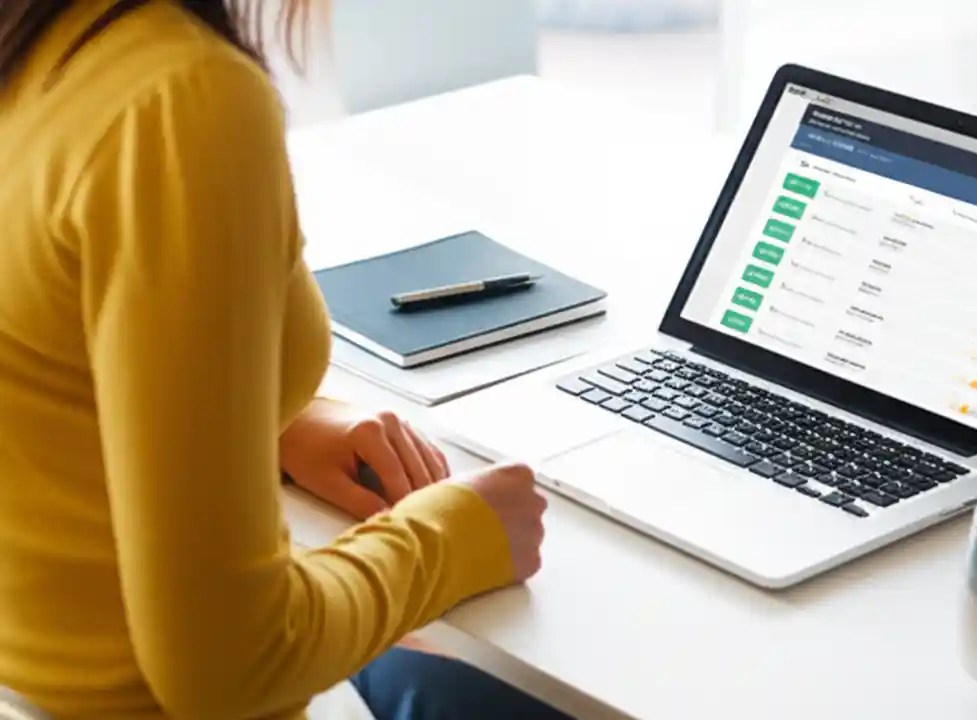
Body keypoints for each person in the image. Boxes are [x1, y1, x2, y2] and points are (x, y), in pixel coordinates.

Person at [0, 1, 566, 718]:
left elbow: (34, 355)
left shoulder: (38, 42)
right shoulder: (178, 100)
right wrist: (459, 539)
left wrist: (262, 423)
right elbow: (233, 665)